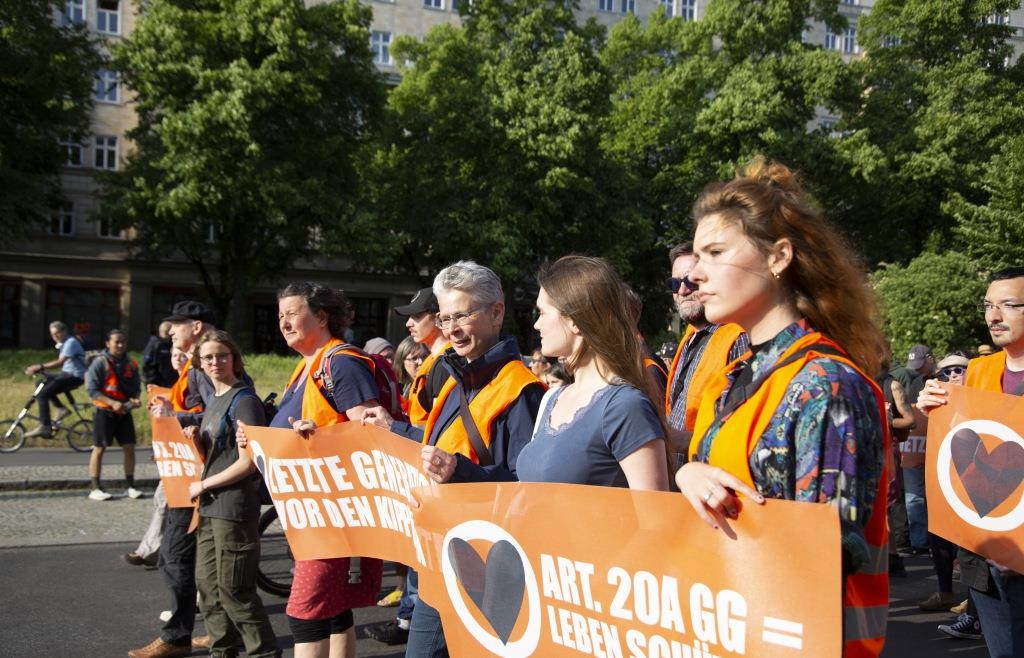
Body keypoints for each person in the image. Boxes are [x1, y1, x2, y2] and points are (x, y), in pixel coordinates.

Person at [674, 157, 889, 657]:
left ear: (778, 257)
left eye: (715, 253)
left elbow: (827, 556)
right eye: (696, 255)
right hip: (736, 632)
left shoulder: (827, 385)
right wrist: (688, 475)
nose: (695, 275)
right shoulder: (735, 377)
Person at [362, 260, 546, 658]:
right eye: (445, 318)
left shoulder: (522, 390)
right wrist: (394, 429)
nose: (451, 329)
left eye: (462, 315)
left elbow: (529, 490)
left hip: (487, 567)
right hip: (442, 553)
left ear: (496, 312)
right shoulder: (457, 378)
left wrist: (459, 471)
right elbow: (440, 446)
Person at [243, 282, 384, 658]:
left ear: (321, 317)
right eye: (280, 315)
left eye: (292, 313)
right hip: (313, 511)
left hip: (333, 514)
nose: (283, 322)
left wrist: (318, 437)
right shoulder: (307, 366)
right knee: (334, 608)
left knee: (305, 612)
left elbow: (372, 431)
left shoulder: (340, 363)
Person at [917, 266, 1024, 658]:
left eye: (1008, 305)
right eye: (988, 306)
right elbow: (965, 444)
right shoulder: (978, 370)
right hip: (986, 559)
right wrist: (936, 410)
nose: (993, 316)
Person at [517, 255, 669, 491]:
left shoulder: (624, 406)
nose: (536, 325)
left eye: (543, 313)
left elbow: (653, 511)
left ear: (574, 321)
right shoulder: (552, 398)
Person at [131, 300, 221, 658]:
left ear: (196, 327)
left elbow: (216, 415)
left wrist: (175, 416)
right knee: (191, 559)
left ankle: (178, 637)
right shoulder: (194, 365)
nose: (170, 331)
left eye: (177, 325)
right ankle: (213, 631)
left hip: (195, 477)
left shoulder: (204, 365)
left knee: (175, 556)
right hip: (186, 474)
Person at [186, 330, 278, 658]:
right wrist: (196, 437)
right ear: (199, 363)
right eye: (209, 357)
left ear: (234, 359)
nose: (216, 362)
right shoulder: (215, 398)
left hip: (234, 508)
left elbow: (248, 463)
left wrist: (204, 485)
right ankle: (222, 650)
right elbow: (218, 454)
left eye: (222, 355)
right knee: (209, 590)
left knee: (235, 592)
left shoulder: (244, 400)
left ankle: (264, 653)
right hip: (211, 507)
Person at [663, 243, 748, 465]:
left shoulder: (737, 338)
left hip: (708, 476)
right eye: (674, 284)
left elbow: (740, 428)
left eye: (690, 281)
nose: (682, 291)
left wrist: (685, 440)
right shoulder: (688, 339)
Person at [124, 346, 190, 568]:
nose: (178, 358)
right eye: (174, 355)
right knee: (164, 500)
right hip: (178, 455)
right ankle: (154, 550)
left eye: (182, 355)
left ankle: (155, 551)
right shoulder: (178, 384)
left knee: (166, 500)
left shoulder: (192, 381)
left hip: (189, 456)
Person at [84, 329, 142, 501]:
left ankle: (130, 486)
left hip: (124, 411)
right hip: (104, 411)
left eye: (123, 341)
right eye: (117, 342)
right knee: (99, 448)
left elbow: (136, 388)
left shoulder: (131, 363)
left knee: (129, 448)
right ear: (107, 343)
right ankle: (95, 487)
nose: (121, 345)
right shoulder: (99, 362)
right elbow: (92, 390)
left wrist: (135, 400)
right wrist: (112, 403)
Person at [393, 287, 450, 427]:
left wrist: (391, 425)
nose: (408, 323)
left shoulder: (445, 363)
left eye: (417, 316)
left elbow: (438, 429)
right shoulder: (431, 360)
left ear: (438, 318)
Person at [23, 320, 87, 438]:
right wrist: (41, 370)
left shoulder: (71, 342)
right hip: (66, 374)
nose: (55, 336)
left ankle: (44, 426)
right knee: (40, 383)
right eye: (52, 334)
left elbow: (60, 362)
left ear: (65, 331)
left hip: (75, 376)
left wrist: (40, 367)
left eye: (57, 333)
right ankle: (62, 409)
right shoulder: (64, 343)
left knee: (42, 394)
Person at [142, 321, 177, 388]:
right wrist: (151, 383)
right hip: (158, 385)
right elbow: (147, 366)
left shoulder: (171, 344)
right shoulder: (154, 345)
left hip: (171, 384)